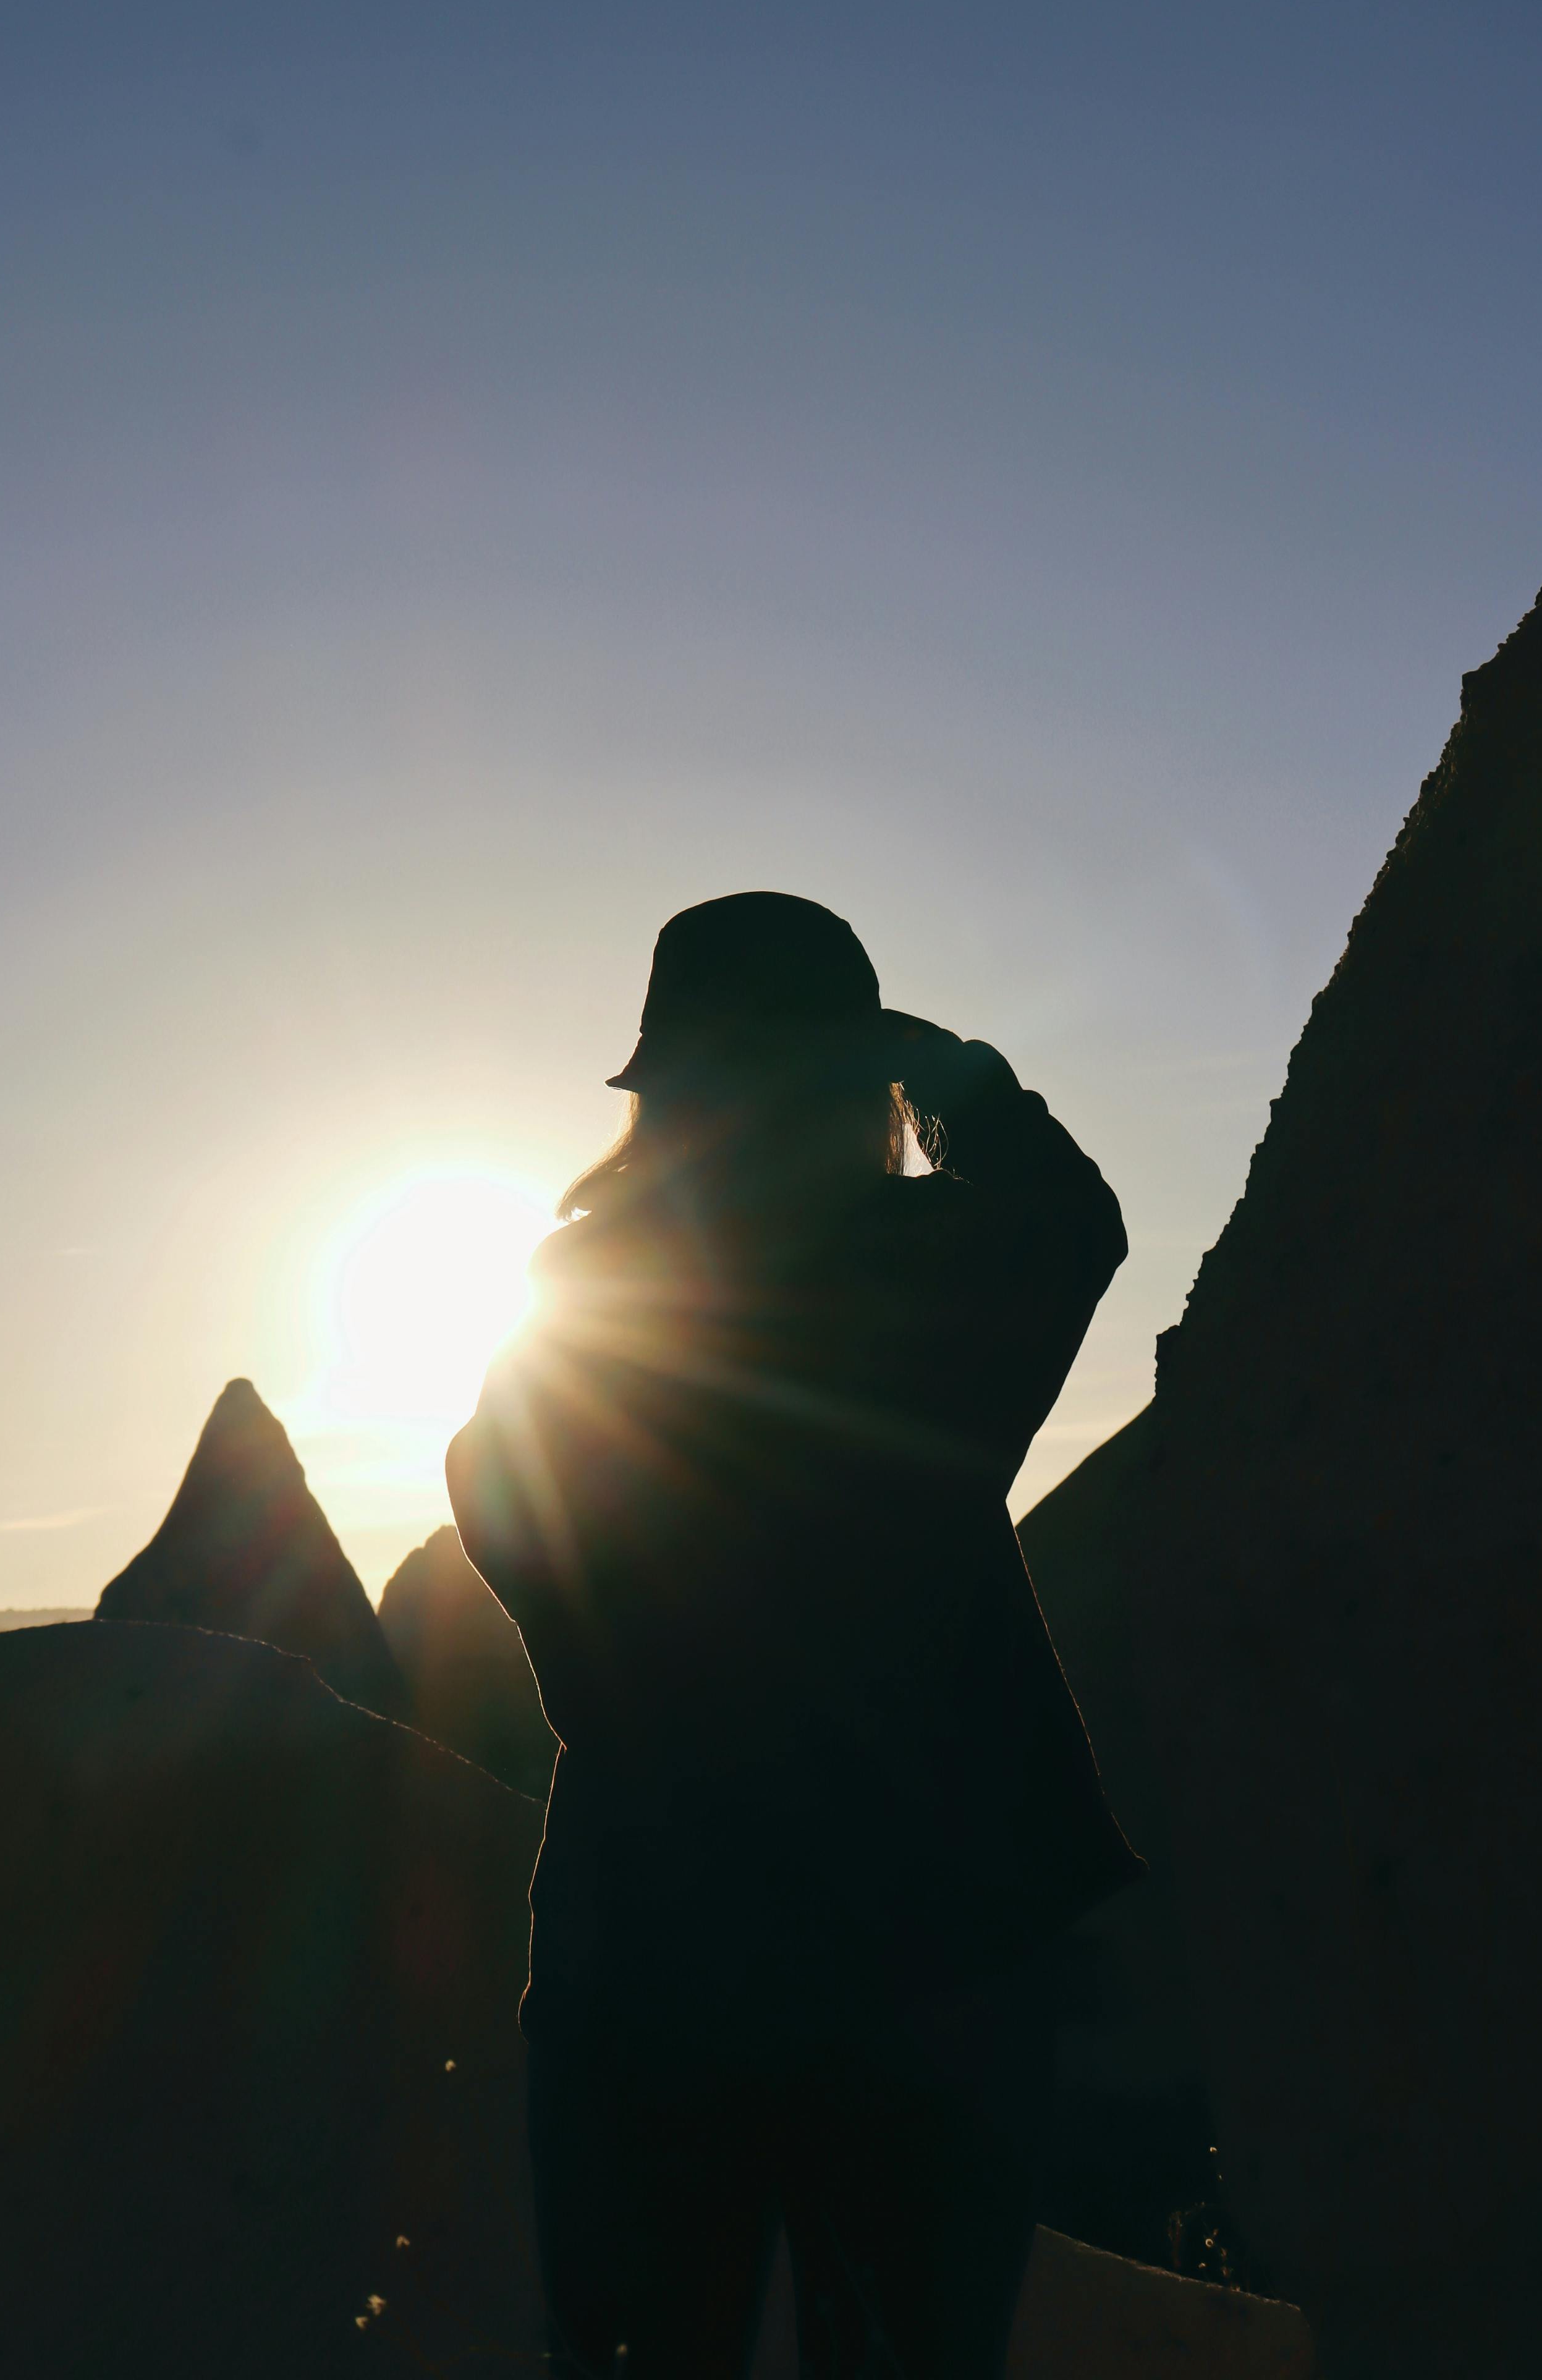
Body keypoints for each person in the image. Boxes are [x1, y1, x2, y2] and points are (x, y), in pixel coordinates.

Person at [447, 891, 1140, 2379]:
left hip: (656, 1923)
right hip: (933, 1929)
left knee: (638, 2345)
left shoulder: (584, 1304)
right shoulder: (921, 1272)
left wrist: (630, 1694)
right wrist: (956, 1078)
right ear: (860, 1086)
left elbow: (504, 1511)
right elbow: (1072, 1223)